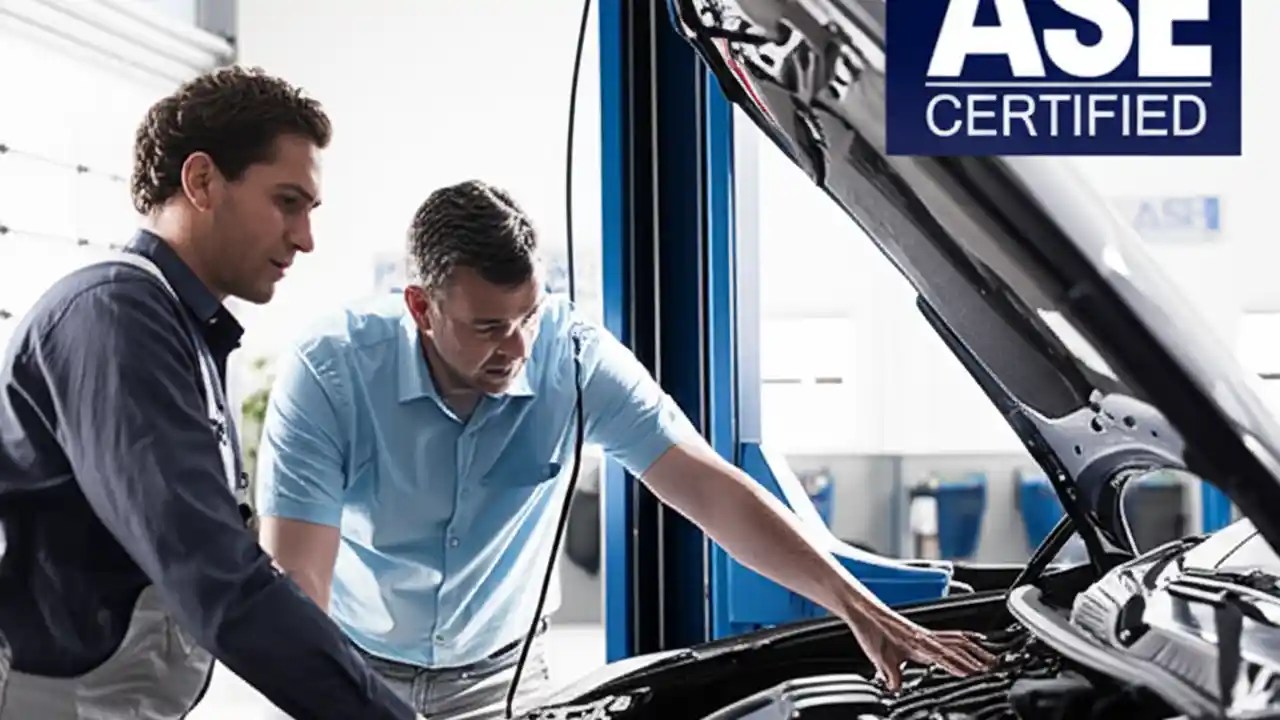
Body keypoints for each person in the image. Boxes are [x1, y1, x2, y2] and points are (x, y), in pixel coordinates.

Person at [254, 179, 997, 718]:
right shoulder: (332, 372)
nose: (517, 347)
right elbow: (298, 583)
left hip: (504, 677)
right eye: (488, 327)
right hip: (352, 666)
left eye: (528, 317)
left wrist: (860, 608)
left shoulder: (574, 358)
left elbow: (712, 490)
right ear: (421, 306)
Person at [0, 66, 419, 719]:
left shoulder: (181, 326)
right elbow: (213, 573)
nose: (305, 239)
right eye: (287, 202)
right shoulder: (115, 317)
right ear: (200, 181)